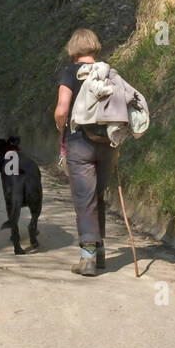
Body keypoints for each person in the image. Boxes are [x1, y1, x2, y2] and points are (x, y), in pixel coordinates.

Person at [54, 28, 114, 276]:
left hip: (80, 143)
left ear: (74, 51)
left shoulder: (70, 72)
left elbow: (61, 110)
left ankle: (88, 257)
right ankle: (99, 252)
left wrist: (62, 129)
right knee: (98, 196)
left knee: (85, 199)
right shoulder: (108, 72)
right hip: (108, 145)